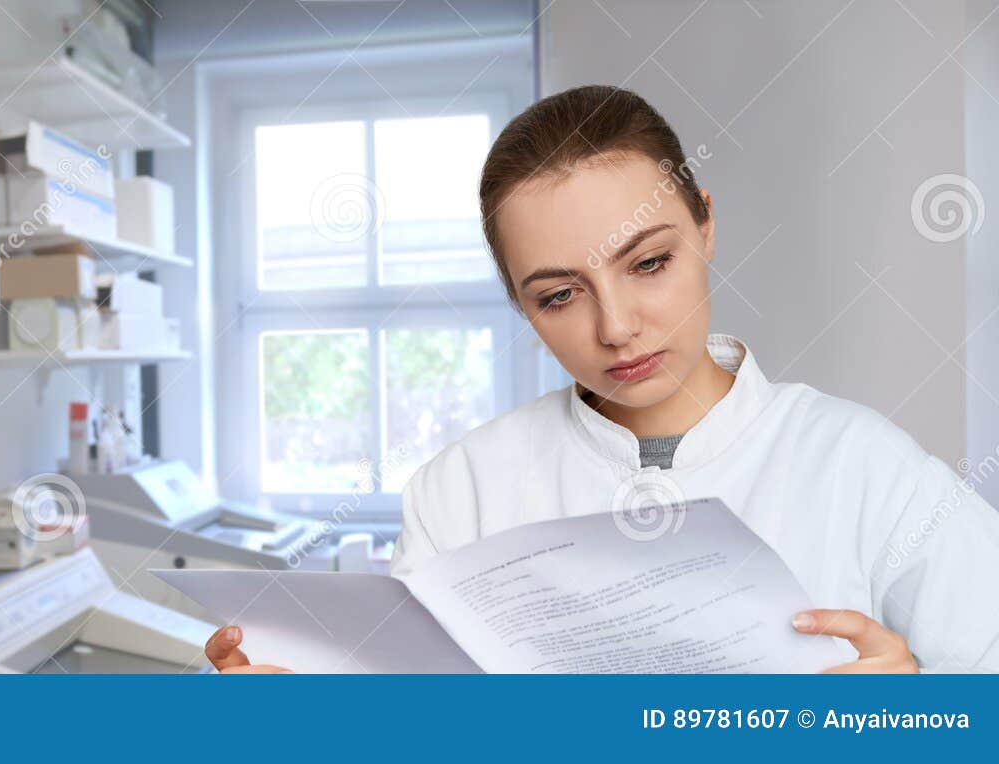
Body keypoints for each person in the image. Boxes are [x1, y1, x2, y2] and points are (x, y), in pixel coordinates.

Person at [206, 84, 999, 674]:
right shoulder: (461, 492)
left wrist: (915, 707)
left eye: (649, 262)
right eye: (558, 296)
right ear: (521, 305)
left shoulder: (867, 469)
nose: (615, 327)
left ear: (706, 224)